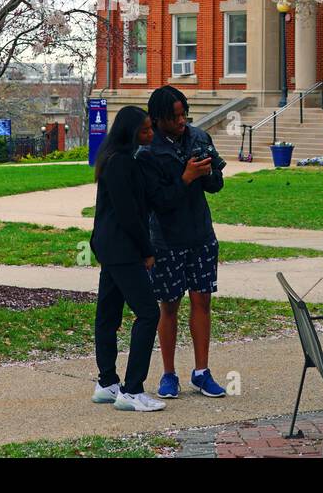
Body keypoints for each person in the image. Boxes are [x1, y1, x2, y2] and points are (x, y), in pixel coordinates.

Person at [142, 85, 227, 399]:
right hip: (166, 241)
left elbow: (217, 184)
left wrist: (206, 175)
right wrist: (186, 178)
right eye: (174, 117)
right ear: (158, 118)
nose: (181, 121)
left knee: (202, 302)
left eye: (183, 114)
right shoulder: (148, 152)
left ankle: (202, 372)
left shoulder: (199, 138)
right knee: (169, 306)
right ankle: (168, 375)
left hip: (201, 235)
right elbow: (158, 202)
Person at [89, 105, 166, 412]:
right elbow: (128, 214)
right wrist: (147, 251)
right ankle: (132, 390)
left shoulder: (115, 160)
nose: (150, 134)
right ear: (129, 133)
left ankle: (107, 384)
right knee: (149, 313)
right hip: (122, 248)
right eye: (144, 130)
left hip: (109, 246)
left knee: (107, 316)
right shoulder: (121, 163)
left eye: (150, 128)